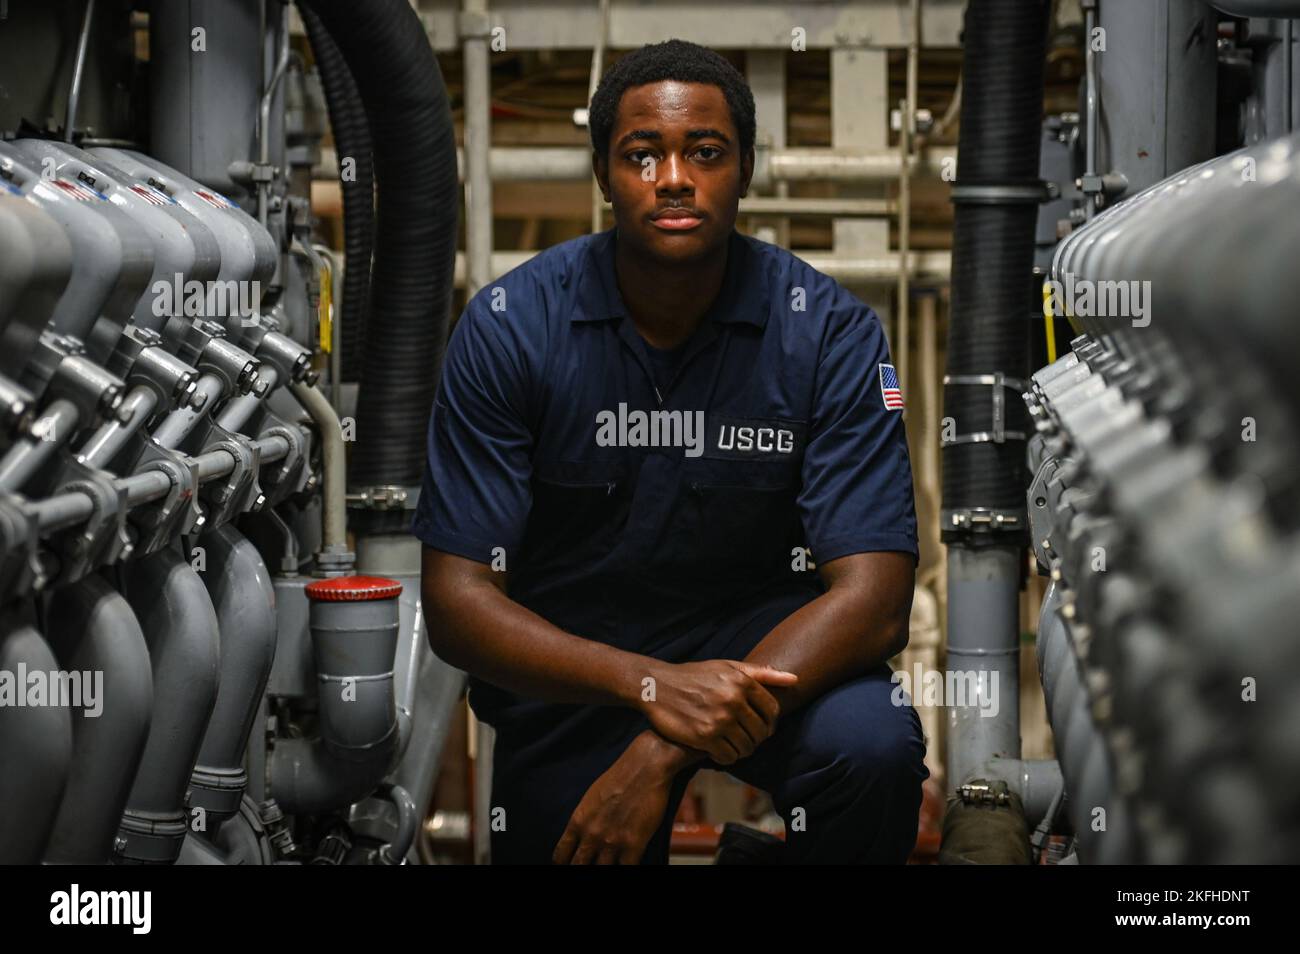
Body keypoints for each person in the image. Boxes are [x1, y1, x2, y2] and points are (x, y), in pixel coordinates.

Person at [414, 38, 928, 864]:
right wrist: (650, 687)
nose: (675, 178)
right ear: (604, 176)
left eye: (707, 152)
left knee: (870, 748)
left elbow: (874, 598)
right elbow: (458, 603)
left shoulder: (828, 332)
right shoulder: (513, 330)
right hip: (579, 669)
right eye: (642, 154)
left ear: (746, 170)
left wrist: (663, 749)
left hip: (767, 662)